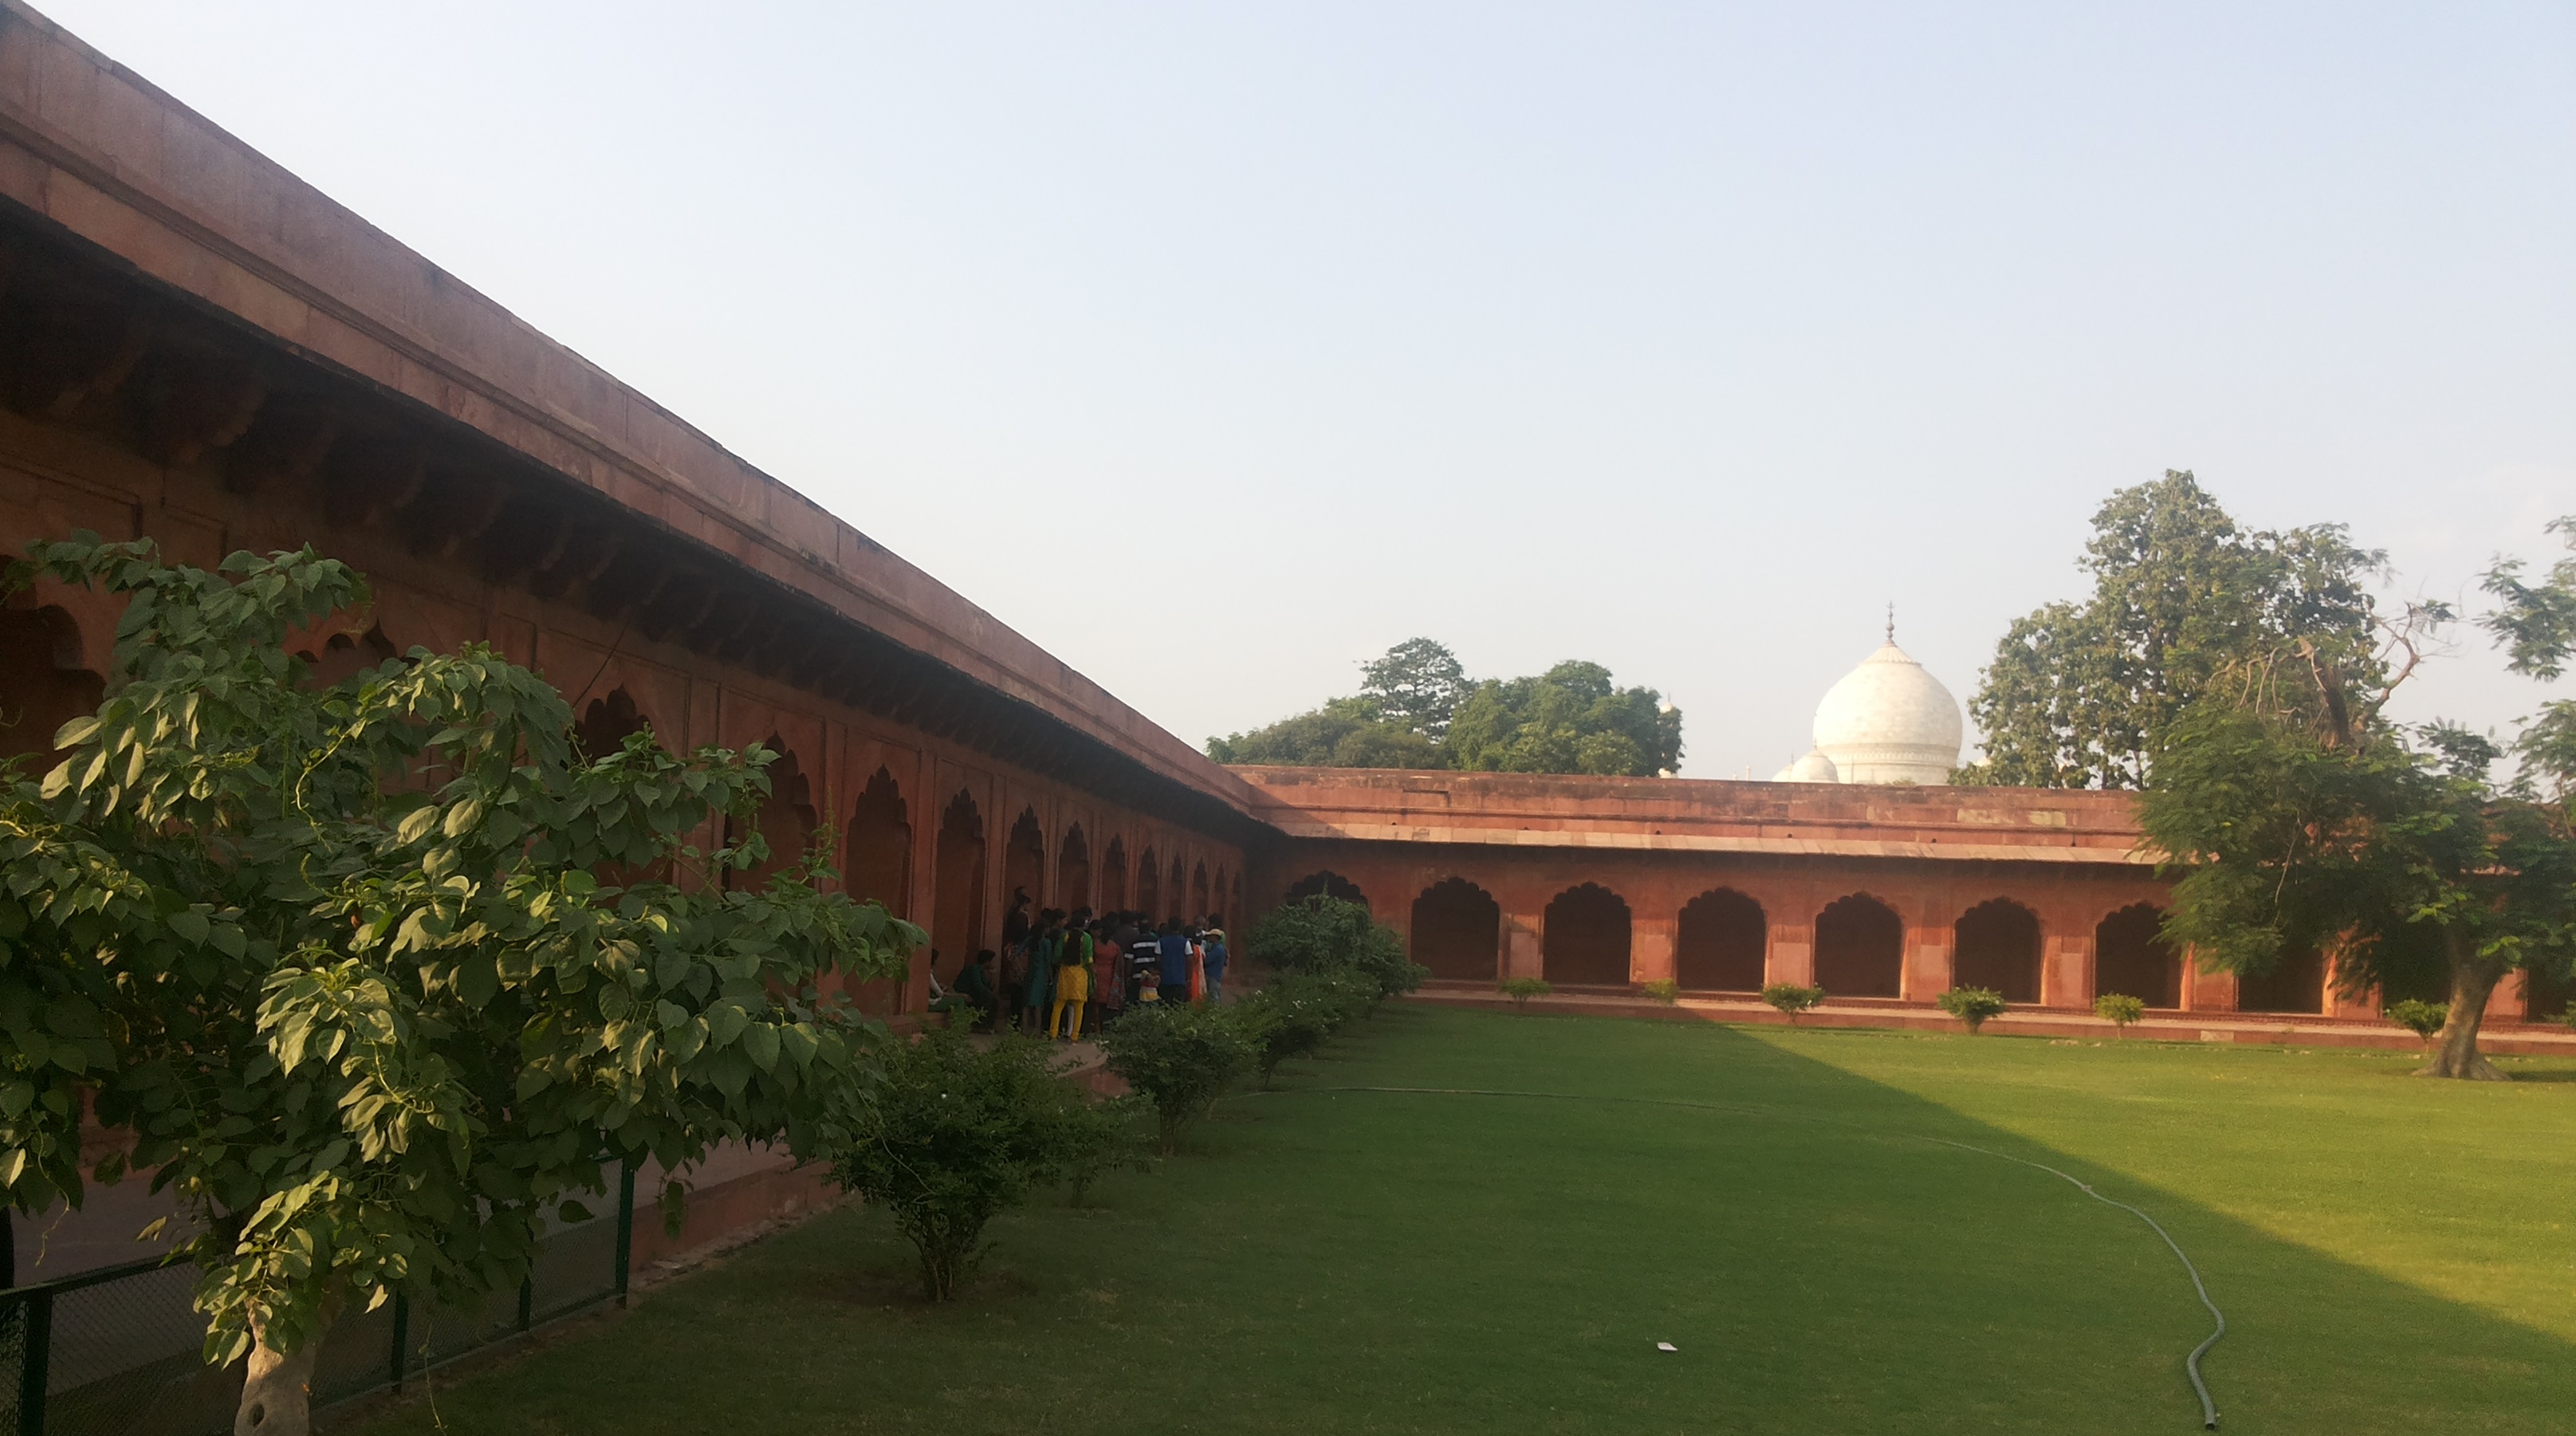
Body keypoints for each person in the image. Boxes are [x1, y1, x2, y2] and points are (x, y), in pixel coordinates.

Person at [930, 950, 998, 1025]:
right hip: (963, 994)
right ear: (987, 961)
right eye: (992, 961)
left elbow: (988, 987)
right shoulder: (974, 969)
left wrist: (992, 975)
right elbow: (979, 987)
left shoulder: (981, 972)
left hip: (970, 995)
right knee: (990, 1001)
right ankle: (980, 1026)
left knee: (992, 1000)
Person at [1049, 923, 1092, 1041]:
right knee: (1079, 1008)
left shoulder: (1065, 936)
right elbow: (1089, 959)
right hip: (1080, 974)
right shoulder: (1087, 938)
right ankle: (1074, 1036)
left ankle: (1053, 1034)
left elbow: (1057, 956)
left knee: (1058, 1006)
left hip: (1065, 973)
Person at [1157, 921, 1193, 1008]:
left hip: (1165, 980)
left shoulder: (1161, 941)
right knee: (1179, 1007)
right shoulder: (1185, 942)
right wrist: (1189, 978)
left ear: (1169, 927)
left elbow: (1158, 959)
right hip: (1180, 980)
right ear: (1180, 928)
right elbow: (1190, 960)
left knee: (1165, 1007)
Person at [1201, 926, 1228, 1004]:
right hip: (1216, 975)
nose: (1209, 938)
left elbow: (1207, 961)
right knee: (1215, 995)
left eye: (1211, 936)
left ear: (1216, 937)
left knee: (1213, 996)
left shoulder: (1217, 949)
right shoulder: (1218, 948)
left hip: (1213, 975)